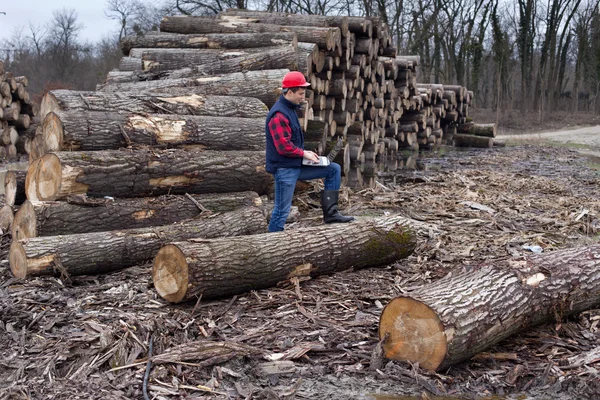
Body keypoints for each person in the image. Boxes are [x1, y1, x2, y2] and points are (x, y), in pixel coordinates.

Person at [265, 71, 354, 232]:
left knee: (333, 169)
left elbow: (290, 143)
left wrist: (305, 154)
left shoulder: (290, 108)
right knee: (282, 211)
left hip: (296, 164)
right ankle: (271, 244)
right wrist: (304, 153)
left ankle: (331, 214)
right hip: (284, 168)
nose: (303, 97)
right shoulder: (278, 115)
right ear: (289, 92)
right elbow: (283, 146)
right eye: (300, 93)